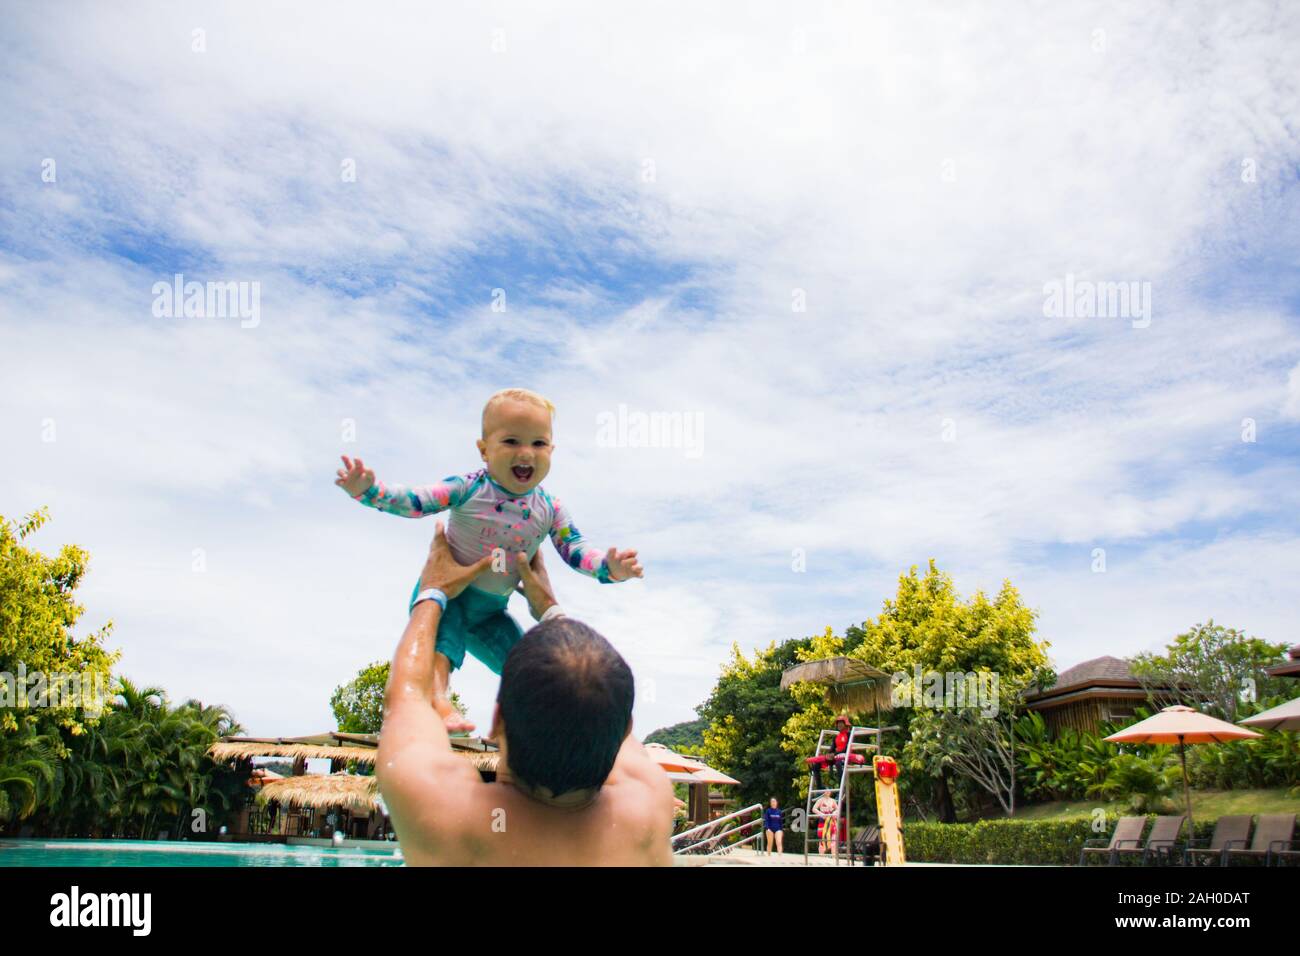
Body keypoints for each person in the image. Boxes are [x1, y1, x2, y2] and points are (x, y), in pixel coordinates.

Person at [337, 387, 644, 734]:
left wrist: (610, 568)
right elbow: (415, 500)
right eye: (511, 441)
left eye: (538, 444)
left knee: (524, 659)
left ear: (552, 450)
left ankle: (515, 725)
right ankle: (439, 702)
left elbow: (575, 550)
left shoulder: (550, 509)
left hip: (491, 612)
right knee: (445, 646)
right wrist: (369, 490)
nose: (526, 453)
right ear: (484, 450)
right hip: (448, 594)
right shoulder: (468, 487)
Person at [375, 522, 674, 866]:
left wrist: (433, 590)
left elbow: (408, 696)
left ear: (497, 720)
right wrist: (551, 610)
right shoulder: (649, 806)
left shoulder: (448, 815)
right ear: (626, 730)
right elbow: (590, 692)